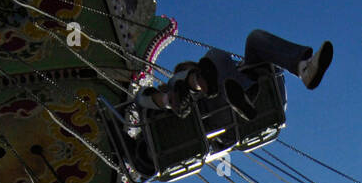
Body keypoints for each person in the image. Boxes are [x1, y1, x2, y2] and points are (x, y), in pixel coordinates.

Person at [137, 28, 333, 118]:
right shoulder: (177, 90)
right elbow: (142, 98)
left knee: (255, 38)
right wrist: (166, 99)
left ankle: (303, 67)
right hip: (227, 113)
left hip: (261, 91)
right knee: (216, 57)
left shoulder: (219, 71)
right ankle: (245, 95)